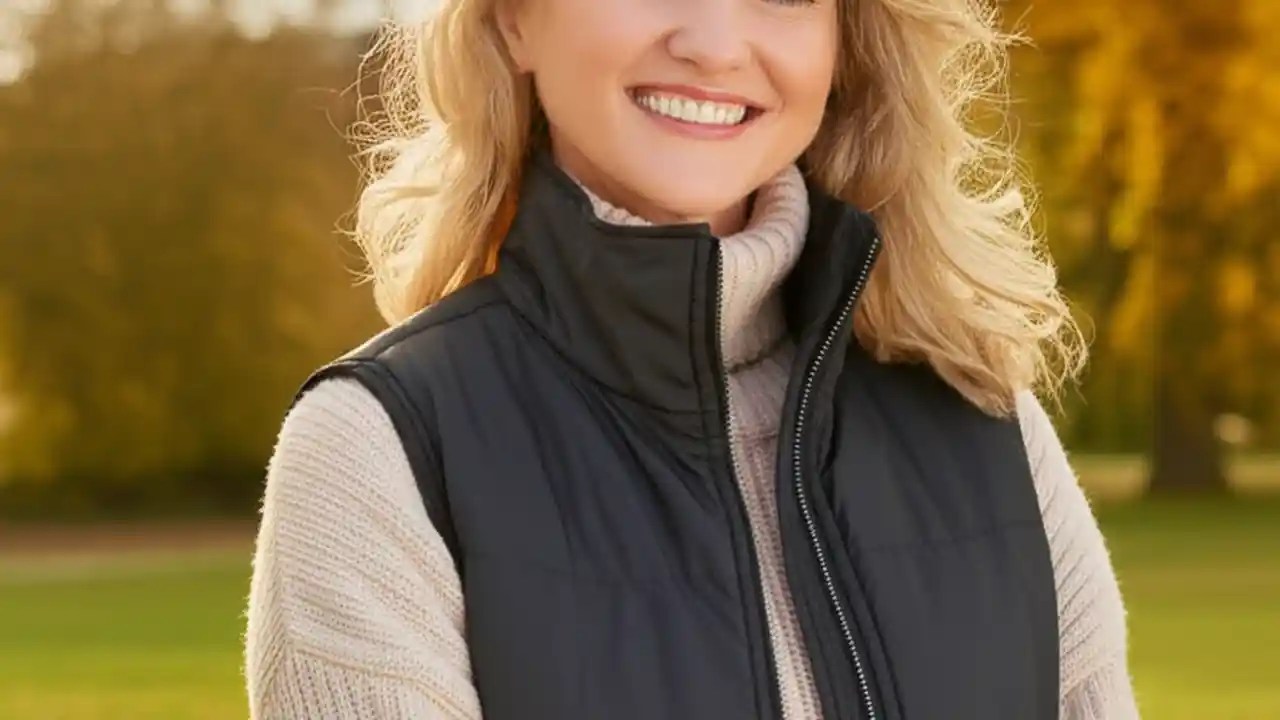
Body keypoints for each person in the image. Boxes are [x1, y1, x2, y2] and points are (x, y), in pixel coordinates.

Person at [244, 0, 1140, 717]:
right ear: (513, 19)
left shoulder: (980, 418)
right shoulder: (379, 452)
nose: (714, 44)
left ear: (845, 44)